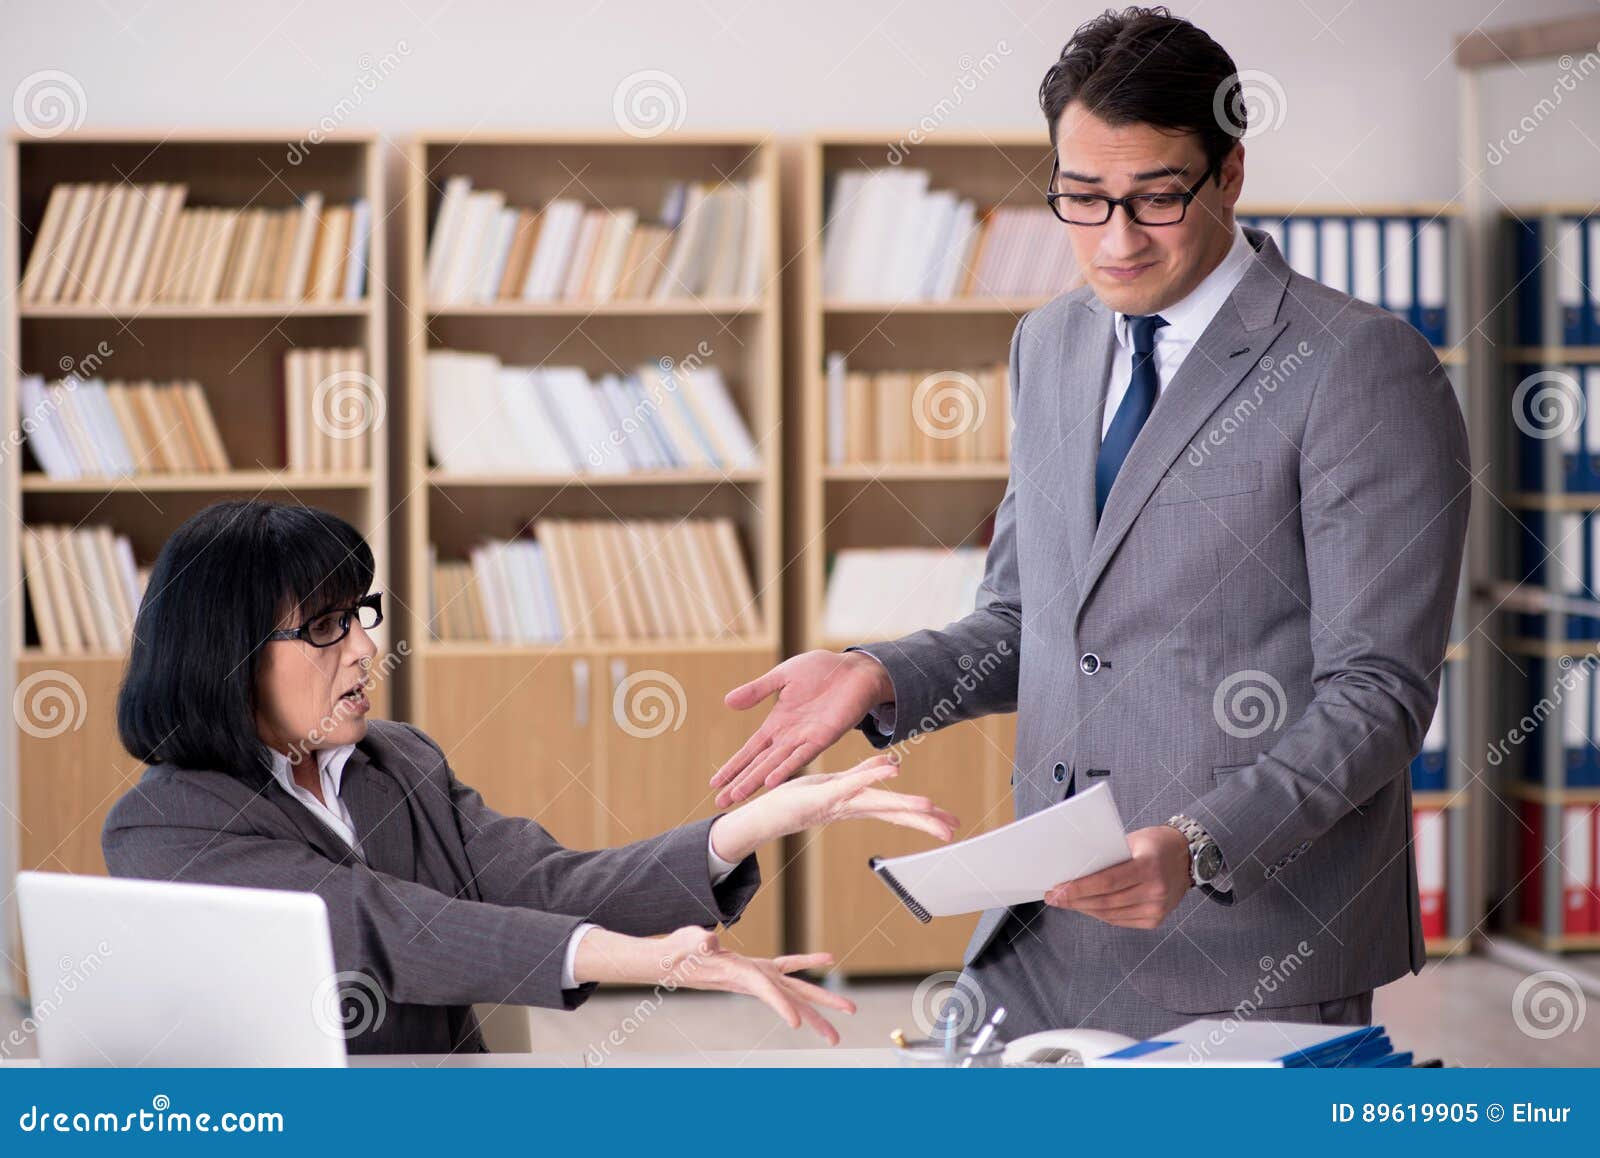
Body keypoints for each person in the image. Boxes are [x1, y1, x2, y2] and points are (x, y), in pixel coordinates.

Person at [710, 6, 1470, 1039]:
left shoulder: (1354, 365)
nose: (1114, 240)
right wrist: (878, 674)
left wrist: (1201, 845)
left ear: (1228, 175)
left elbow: (1378, 692)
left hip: (1253, 936)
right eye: (1080, 199)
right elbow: (1031, 620)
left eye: (1156, 199)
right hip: (1043, 929)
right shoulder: (1052, 342)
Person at [103, 500, 957, 1054]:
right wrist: (653, 961)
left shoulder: (397, 760)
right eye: (326, 627)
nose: (365, 646)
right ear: (230, 658)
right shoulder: (165, 824)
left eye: (359, 614)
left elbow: (544, 885)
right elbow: (392, 931)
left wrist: (751, 824)